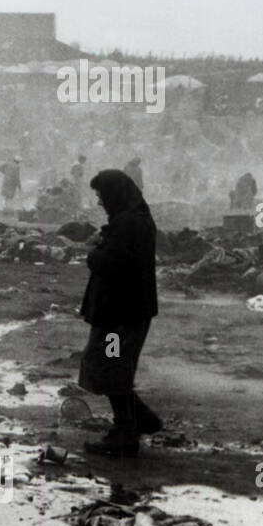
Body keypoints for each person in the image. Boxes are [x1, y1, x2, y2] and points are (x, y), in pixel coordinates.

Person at [79, 170, 161, 457]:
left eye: (102, 195)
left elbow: (108, 262)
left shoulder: (127, 225)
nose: (100, 202)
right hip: (127, 311)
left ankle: (126, 431)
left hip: (118, 317)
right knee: (114, 365)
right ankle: (141, 419)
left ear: (114, 194)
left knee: (110, 365)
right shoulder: (136, 220)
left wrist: (92, 253)